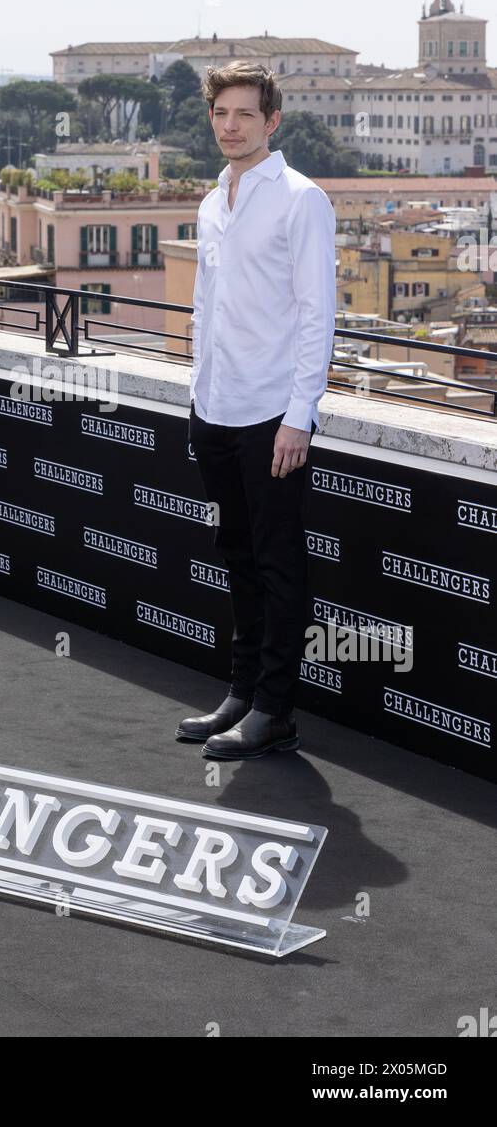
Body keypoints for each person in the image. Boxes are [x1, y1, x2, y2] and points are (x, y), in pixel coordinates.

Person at [176, 61, 337, 760]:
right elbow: (206, 307)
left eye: (245, 113)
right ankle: (240, 695)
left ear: (271, 121)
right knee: (237, 556)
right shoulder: (214, 202)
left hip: (273, 415)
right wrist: (196, 393)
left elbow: (316, 313)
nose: (231, 125)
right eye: (221, 113)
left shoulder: (302, 200)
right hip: (215, 409)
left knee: (277, 565)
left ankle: (274, 711)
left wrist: (300, 413)